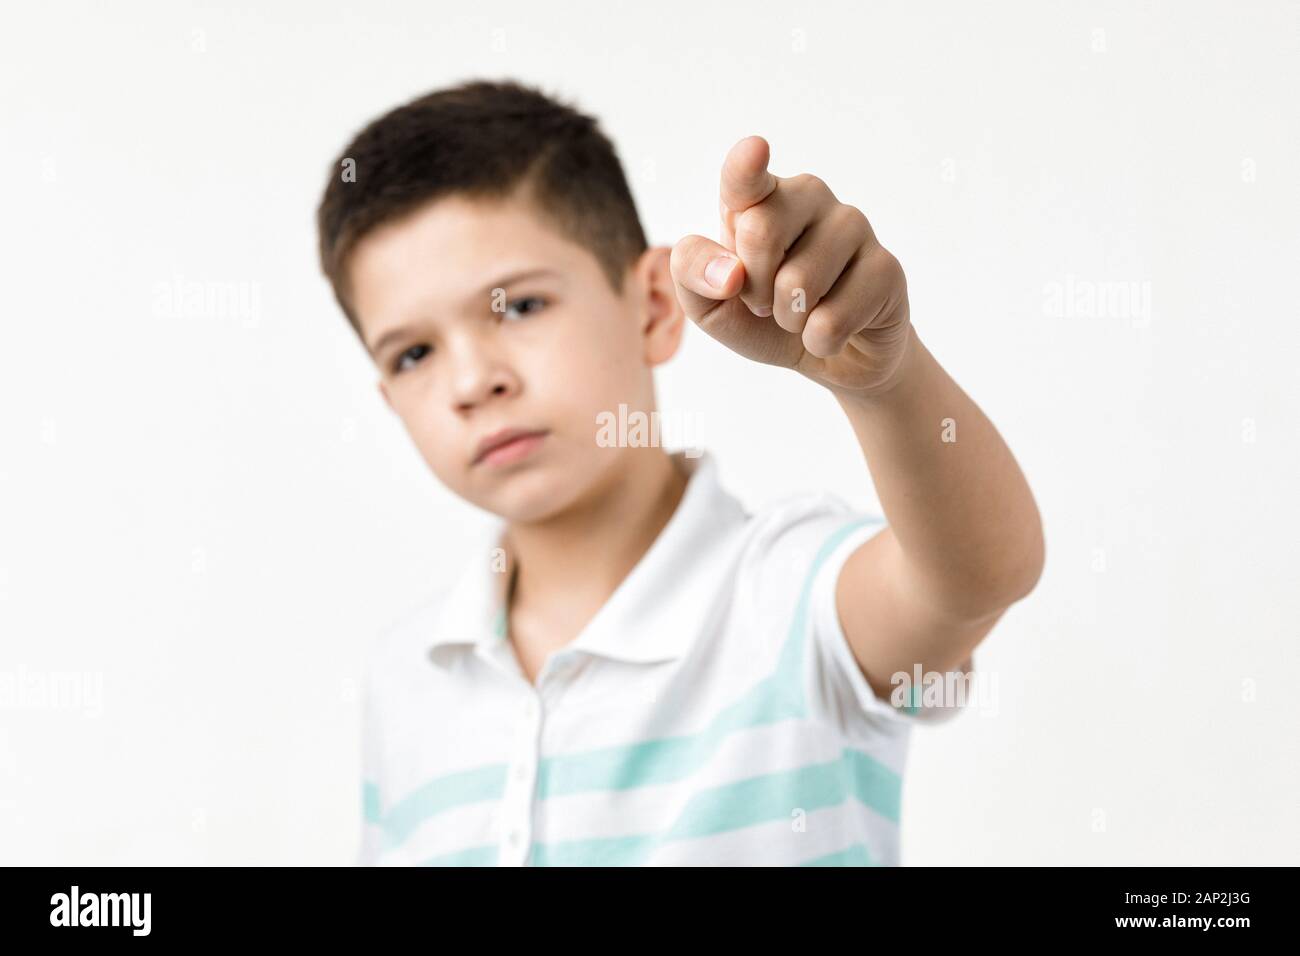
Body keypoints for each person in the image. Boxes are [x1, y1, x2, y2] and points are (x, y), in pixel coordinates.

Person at [315, 79, 1044, 866]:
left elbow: (975, 577)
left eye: (519, 307)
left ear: (656, 306)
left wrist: (883, 380)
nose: (471, 382)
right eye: (415, 354)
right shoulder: (407, 678)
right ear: (389, 400)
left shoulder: (789, 600)